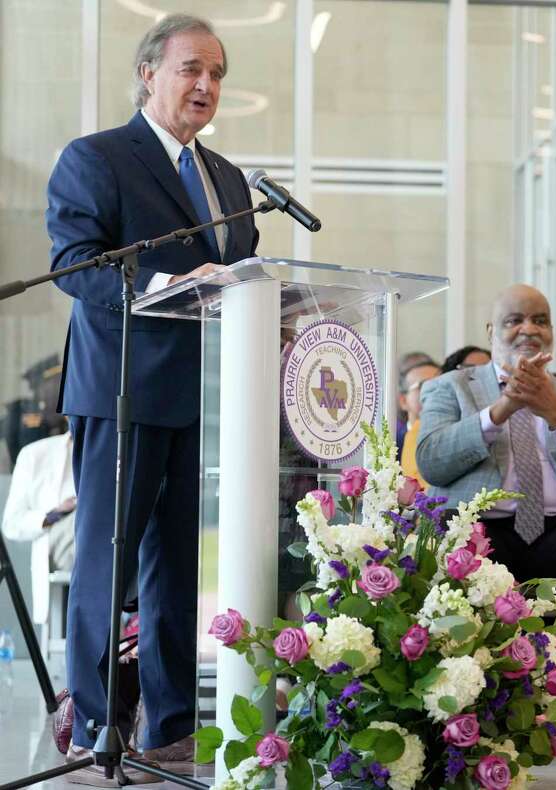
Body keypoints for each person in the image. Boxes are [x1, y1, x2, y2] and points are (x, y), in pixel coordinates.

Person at [46, 13, 259, 773]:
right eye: (191, 69)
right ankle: (101, 720)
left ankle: (172, 723)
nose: (206, 86)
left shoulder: (228, 178)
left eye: (217, 74)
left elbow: (245, 280)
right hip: (123, 392)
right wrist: (167, 285)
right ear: (148, 72)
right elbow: (74, 263)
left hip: (202, 398)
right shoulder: (97, 158)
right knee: (111, 559)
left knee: (177, 567)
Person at [416, 285, 556, 758]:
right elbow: (432, 461)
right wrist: (500, 411)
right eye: (515, 320)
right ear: (491, 332)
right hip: (482, 534)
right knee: (457, 558)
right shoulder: (449, 388)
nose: (529, 329)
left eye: (540, 319)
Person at [2, 414, 76, 636]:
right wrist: (55, 513)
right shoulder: (36, 454)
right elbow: (11, 523)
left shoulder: (120, 450)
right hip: (61, 533)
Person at [398, 362, 441, 487]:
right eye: (425, 385)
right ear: (403, 401)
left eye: (440, 384)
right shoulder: (391, 444)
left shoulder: (456, 442)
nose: (435, 392)